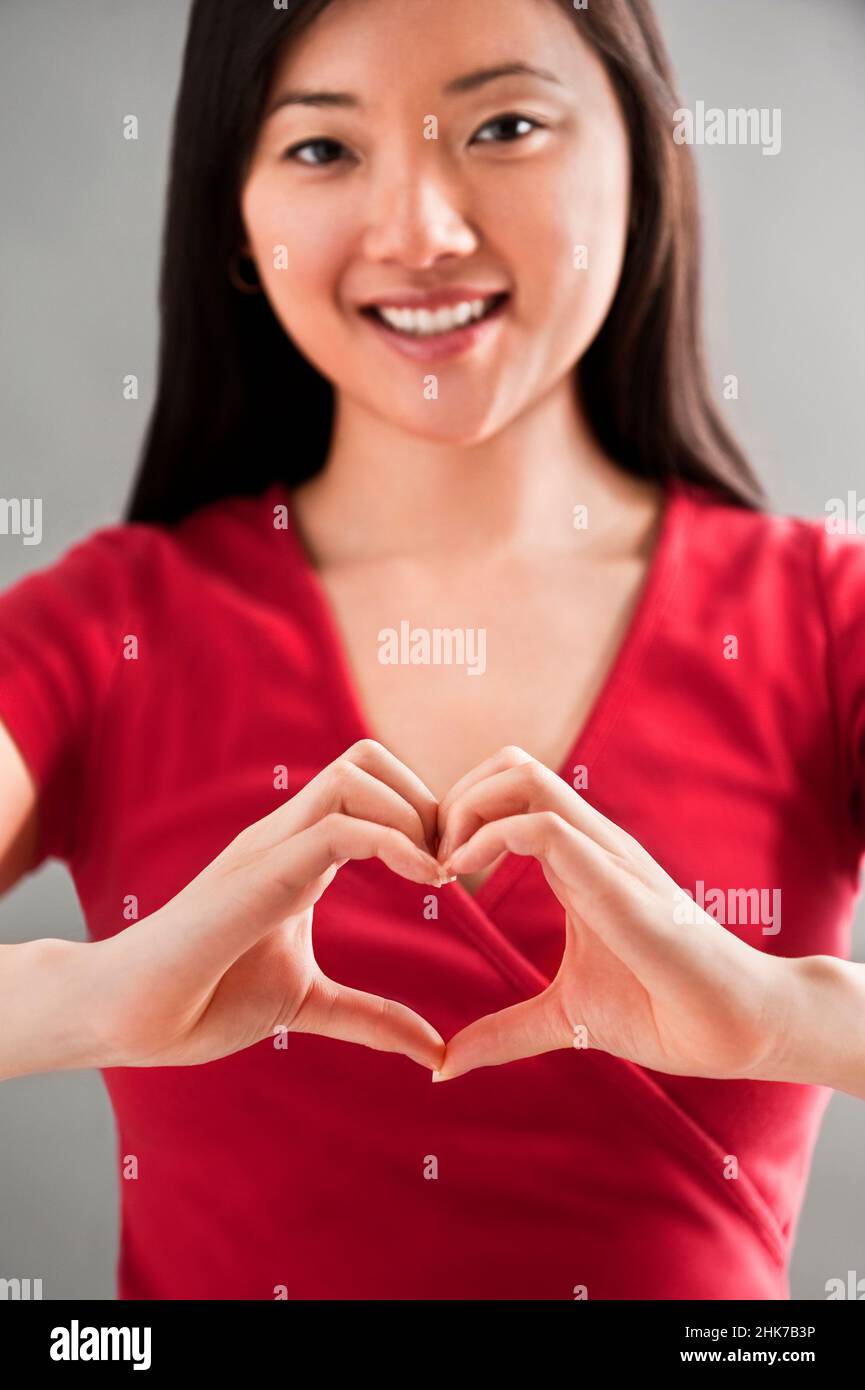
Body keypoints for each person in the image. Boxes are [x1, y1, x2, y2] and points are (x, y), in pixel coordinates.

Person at [1, 0, 864, 1300]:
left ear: (639, 152)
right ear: (233, 207)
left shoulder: (821, 615)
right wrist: (88, 995)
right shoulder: (104, 628)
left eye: (503, 124)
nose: (419, 232)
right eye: (321, 149)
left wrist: (783, 1015)